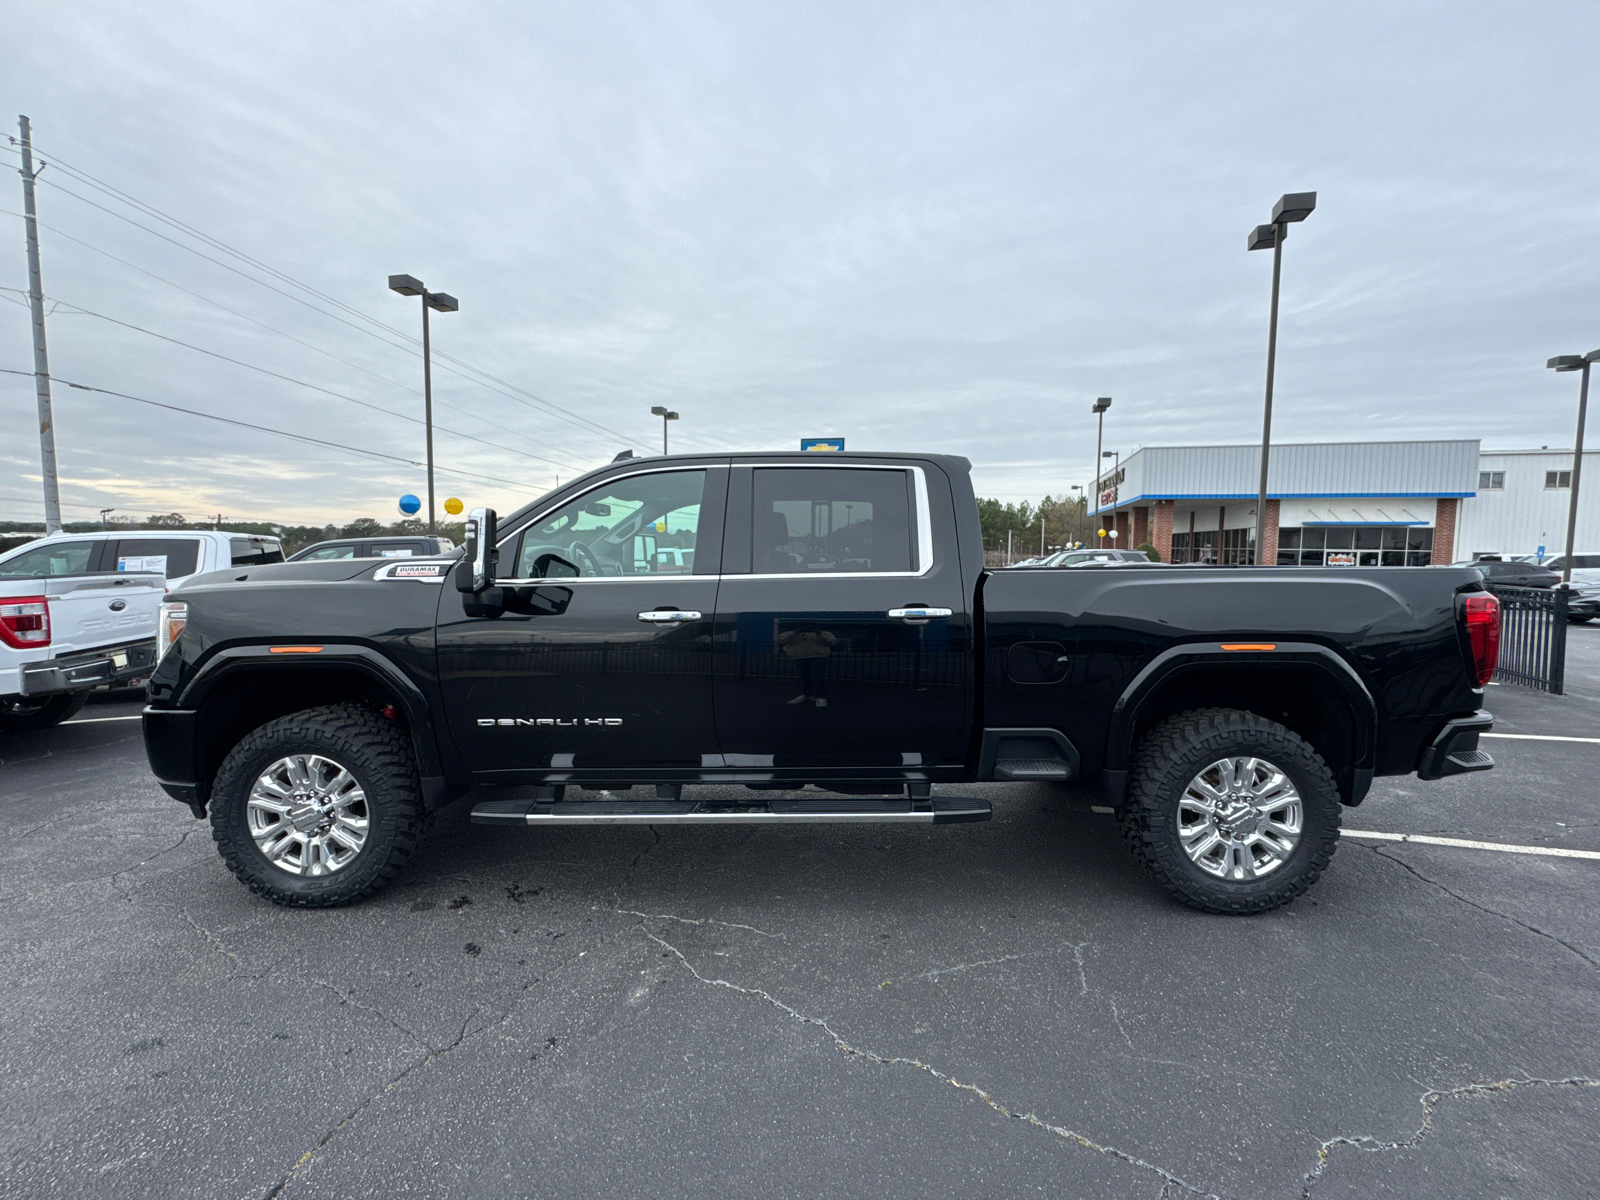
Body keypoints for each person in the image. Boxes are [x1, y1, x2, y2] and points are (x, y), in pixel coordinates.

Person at [779, 625, 837, 708]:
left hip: (818, 657)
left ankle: (820, 697)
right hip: (799, 657)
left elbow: (832, 642)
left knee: (817, 676)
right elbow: (783, 641)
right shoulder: (790, 633)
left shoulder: (824, 633)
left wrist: (819, 634)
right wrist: (795, 633)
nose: (806, 628)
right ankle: (807, 695)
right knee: (804, 677)